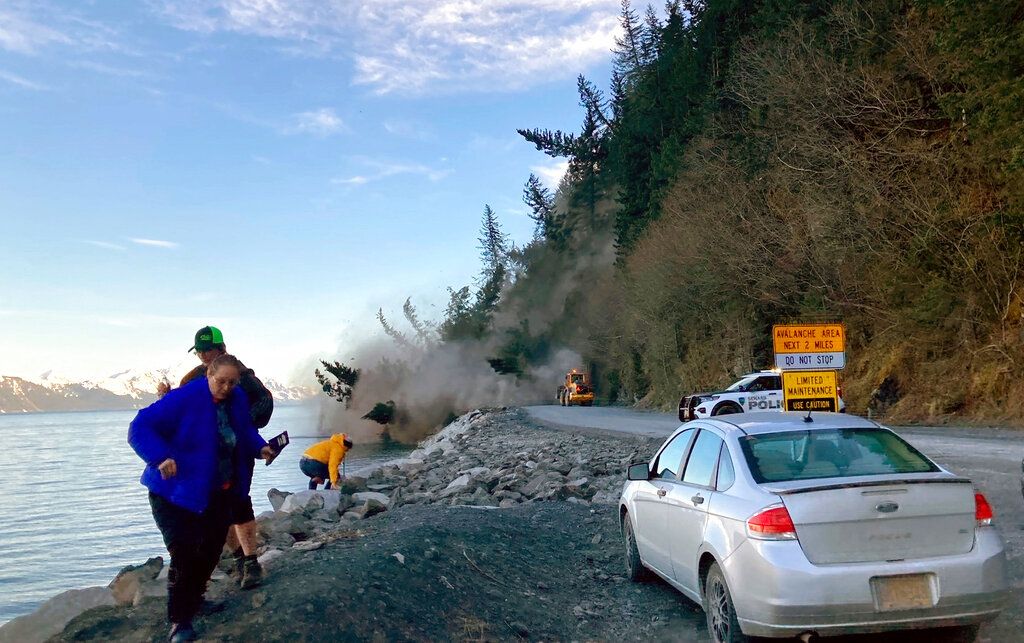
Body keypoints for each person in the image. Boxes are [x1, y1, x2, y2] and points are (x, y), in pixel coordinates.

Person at [129, 354, 275, 642]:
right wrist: (160, 456)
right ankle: (179, 622)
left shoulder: (237, 399)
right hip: (174, 492)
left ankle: (194, 600)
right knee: (184, 554)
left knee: (208, 553)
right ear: (209, 374)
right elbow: (140, 427)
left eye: (232, 383)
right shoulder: (184, 398)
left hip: (217, 492)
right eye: (221, 381)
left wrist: (261, 449)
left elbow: (244, 431)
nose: (226, 387)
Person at [158, 325, 274, 590]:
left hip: (236, 453)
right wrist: (166, 398)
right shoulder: (191, 379)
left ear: (221, 348)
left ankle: (251, 561)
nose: (202, 355)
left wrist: (242, 428)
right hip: (203, 457)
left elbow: (264, 404)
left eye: (207, 350)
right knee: (214, 507)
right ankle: (238, 559)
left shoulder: (242, 376)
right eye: (199, 351)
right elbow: (179, 412)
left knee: (239, 501)